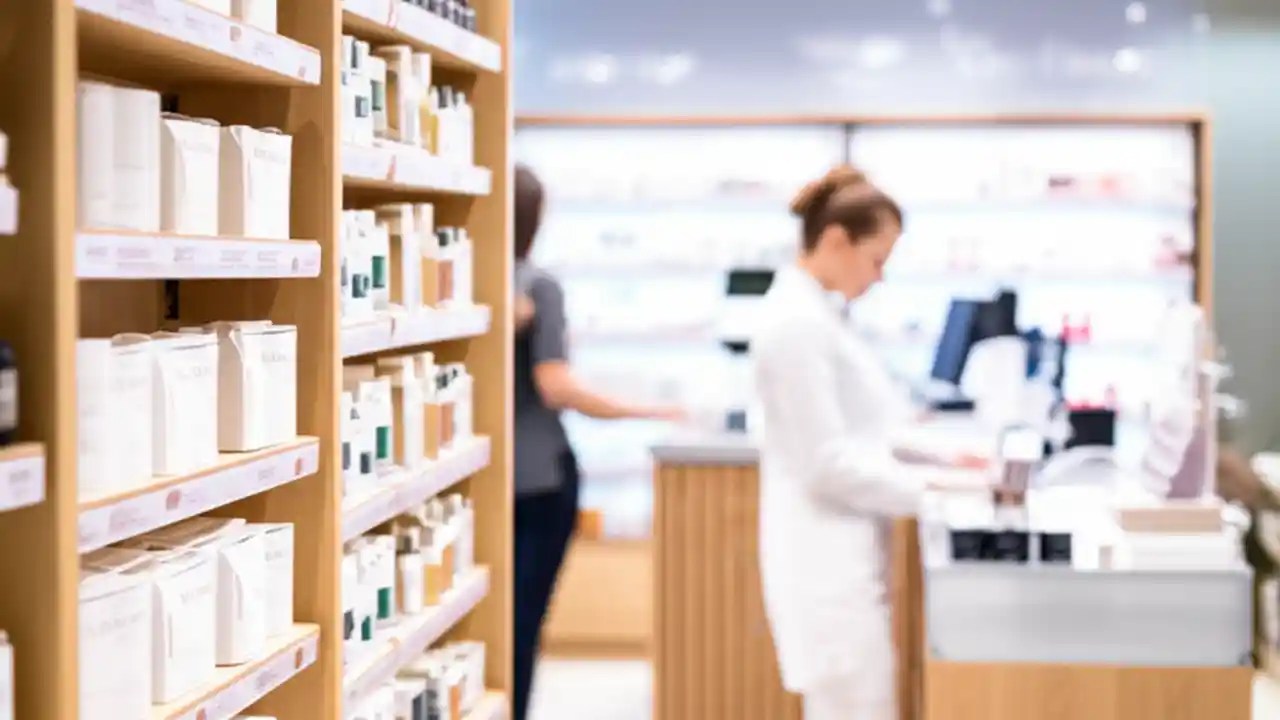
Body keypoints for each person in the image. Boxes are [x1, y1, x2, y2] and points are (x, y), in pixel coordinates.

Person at [751, 166, 935, 720]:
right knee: (854, 705)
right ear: (836, 241)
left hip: (844, 559)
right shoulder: (794, 324)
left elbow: (870, 428)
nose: (879, 278)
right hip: (824, 567)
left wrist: (949, 462)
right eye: (876, 260)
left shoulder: (818, 316)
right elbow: (826, 465)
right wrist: (935, 495)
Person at [512, 163, 683, 720]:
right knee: (522, 621)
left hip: (492, 481)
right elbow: (555, 384)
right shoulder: (538, 285)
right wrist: (648, 409)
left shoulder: (469, 281)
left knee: (497, 622)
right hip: (539, 480)